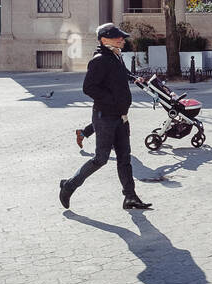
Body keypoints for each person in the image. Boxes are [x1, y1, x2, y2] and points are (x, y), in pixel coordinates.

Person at [59, 23, 153, 210]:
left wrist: (133, 78)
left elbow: (119, 73)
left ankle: (130, 197)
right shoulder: (100, 60)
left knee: (124, 158)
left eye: (121, 37)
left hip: (121, 117)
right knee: (100, 159)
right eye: (117, 37)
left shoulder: (115, 56)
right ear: (104, 39)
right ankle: (69, 185)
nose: (121, 39)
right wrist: (112, 100)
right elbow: (89, 88)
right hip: (105, 117)